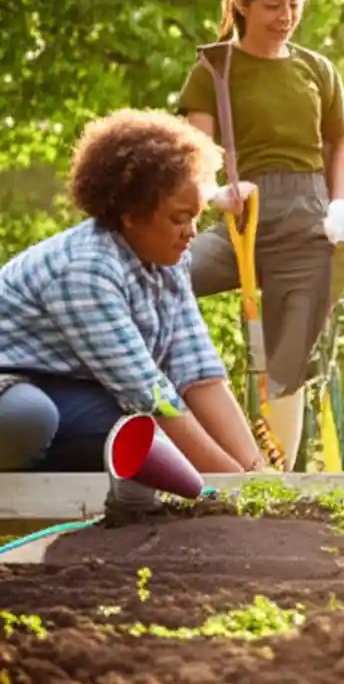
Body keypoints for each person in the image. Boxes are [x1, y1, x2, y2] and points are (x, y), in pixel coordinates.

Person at [0, 110, 264, 510]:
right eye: (179, 218)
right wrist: (226, 490)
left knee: (137, 435)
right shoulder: (87, 268)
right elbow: (149, 396)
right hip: (14, 391)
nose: (192, 232)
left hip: (62, 389)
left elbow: (200, 377)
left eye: (195, 217)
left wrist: (256, 474)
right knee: (28, 417)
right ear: (131, 215)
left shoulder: (170, 263)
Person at [177, 0, 344, 470]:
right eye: (273, 6)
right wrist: (212, 194)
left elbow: (340, 141)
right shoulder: (214, 69)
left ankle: (274, 481)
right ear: (243, 3)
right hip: (242, 217)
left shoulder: (318, 69)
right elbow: (195, 150)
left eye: (293, 5)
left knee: (287, 359)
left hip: (308, 220)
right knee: (166, 275)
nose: (286, 17)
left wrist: (340, 202)